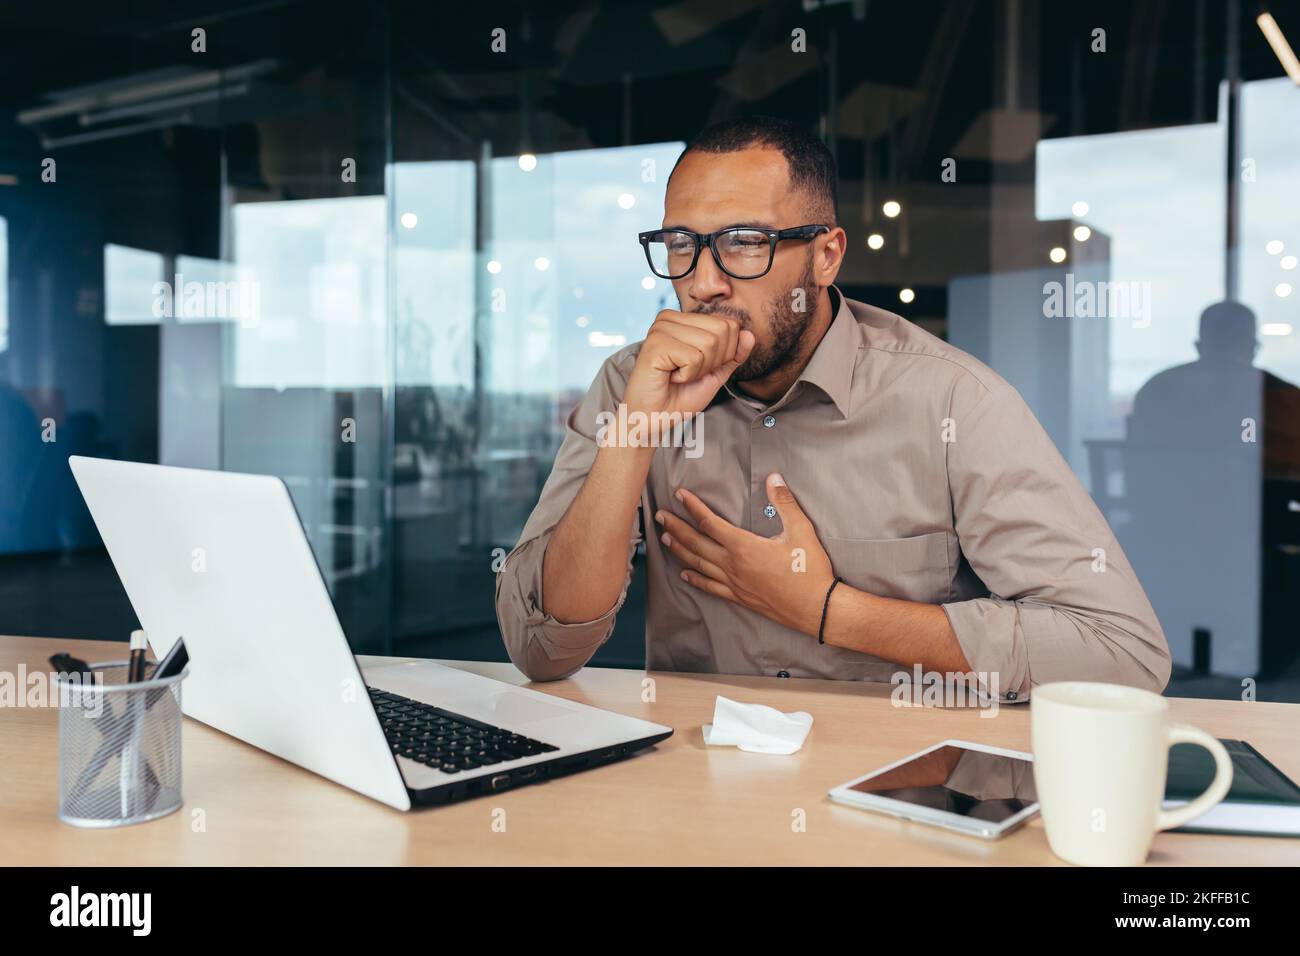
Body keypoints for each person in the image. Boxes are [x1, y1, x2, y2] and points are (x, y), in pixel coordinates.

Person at [495, 115, 1170, 703]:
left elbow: (1121, 653)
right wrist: (634, 431)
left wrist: (827, 611)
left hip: (904, 808)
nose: (701, 283)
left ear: (825, 256)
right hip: (697, 799)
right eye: (681, 245)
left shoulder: (954, 401)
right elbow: (543, 651)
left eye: (744, 243)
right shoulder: (632, 383)